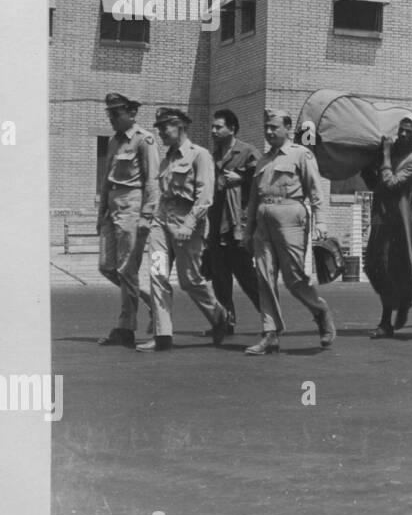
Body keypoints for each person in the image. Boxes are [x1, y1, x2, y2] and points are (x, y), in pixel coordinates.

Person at [242, 109, 336, 355]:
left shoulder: (301, 154)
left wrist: (321, 223)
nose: (269, 131)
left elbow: (315, 191)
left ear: (287, 129)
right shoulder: (262, 160)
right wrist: (247, 230)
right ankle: (270, 333)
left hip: (291, 218)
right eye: (267, 127)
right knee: (264, 277)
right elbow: (253, 199)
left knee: (294, 279)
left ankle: (320, 311)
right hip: (263, 221)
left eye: (274, 127)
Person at [137, 107, 231, 352]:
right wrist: (150, 217)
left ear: (180, 126)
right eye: (158, 128)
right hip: (161, 223)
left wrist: (190, 224)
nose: (160, 133)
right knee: (157, 275)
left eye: (164, 127)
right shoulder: (166, 159)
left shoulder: (200, 155)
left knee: (190, 281)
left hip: (187, 224)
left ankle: (219, 315)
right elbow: (162, 193)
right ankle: (162, 336)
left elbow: (205, 196)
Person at [95, 92, 161, 348]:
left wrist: (147, 214)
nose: (111, 118)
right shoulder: (114, 142)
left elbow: (152, 180)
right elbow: (106, 181)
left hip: (132, 208)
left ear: (131, 113)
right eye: (109, 113)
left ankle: (125, 327)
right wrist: (101, 213)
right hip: (112, 208)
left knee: (126, 269)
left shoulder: (144, 140)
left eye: (116, 113)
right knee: (107, 266)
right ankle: (154, 304)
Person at [361, 117, 412, 338]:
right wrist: (365, 167)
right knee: (372, 266)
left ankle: (386, 321)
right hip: (381, 217)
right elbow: (378, 184)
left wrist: (383, 156)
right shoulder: (391, 154)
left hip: (400, 222)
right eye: (401, 130)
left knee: (392, 267)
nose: (402, 135)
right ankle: (401, 302)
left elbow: (391, 183)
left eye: (408, 132)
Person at [204, 108, 261, 334]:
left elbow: (262, 180)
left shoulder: (247, 152)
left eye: (218, 127)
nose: (214, 131)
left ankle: (270, 320)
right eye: (213, 127)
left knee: (247, 277)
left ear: (232, 128)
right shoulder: (213, 155)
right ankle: (226, 322)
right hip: (217, 225)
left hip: (239, 226)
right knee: (220, 278)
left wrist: (242, 178)